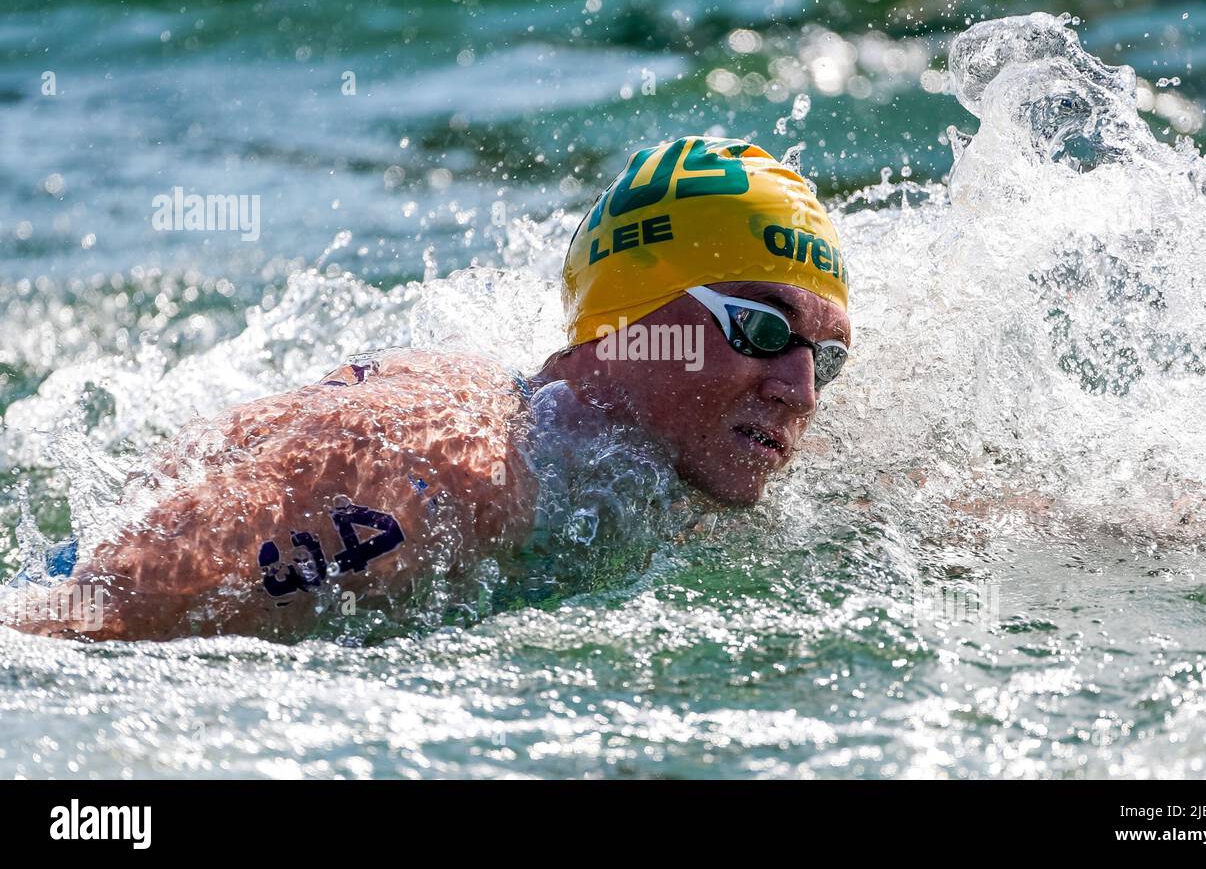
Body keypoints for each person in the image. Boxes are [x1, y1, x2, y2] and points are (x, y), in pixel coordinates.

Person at [0, 136, 852, 641]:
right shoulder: (443, 466)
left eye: (827, 355)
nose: (802, 391)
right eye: (763, 331)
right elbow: (80, 618)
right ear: (629, 317)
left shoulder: (668, 464)